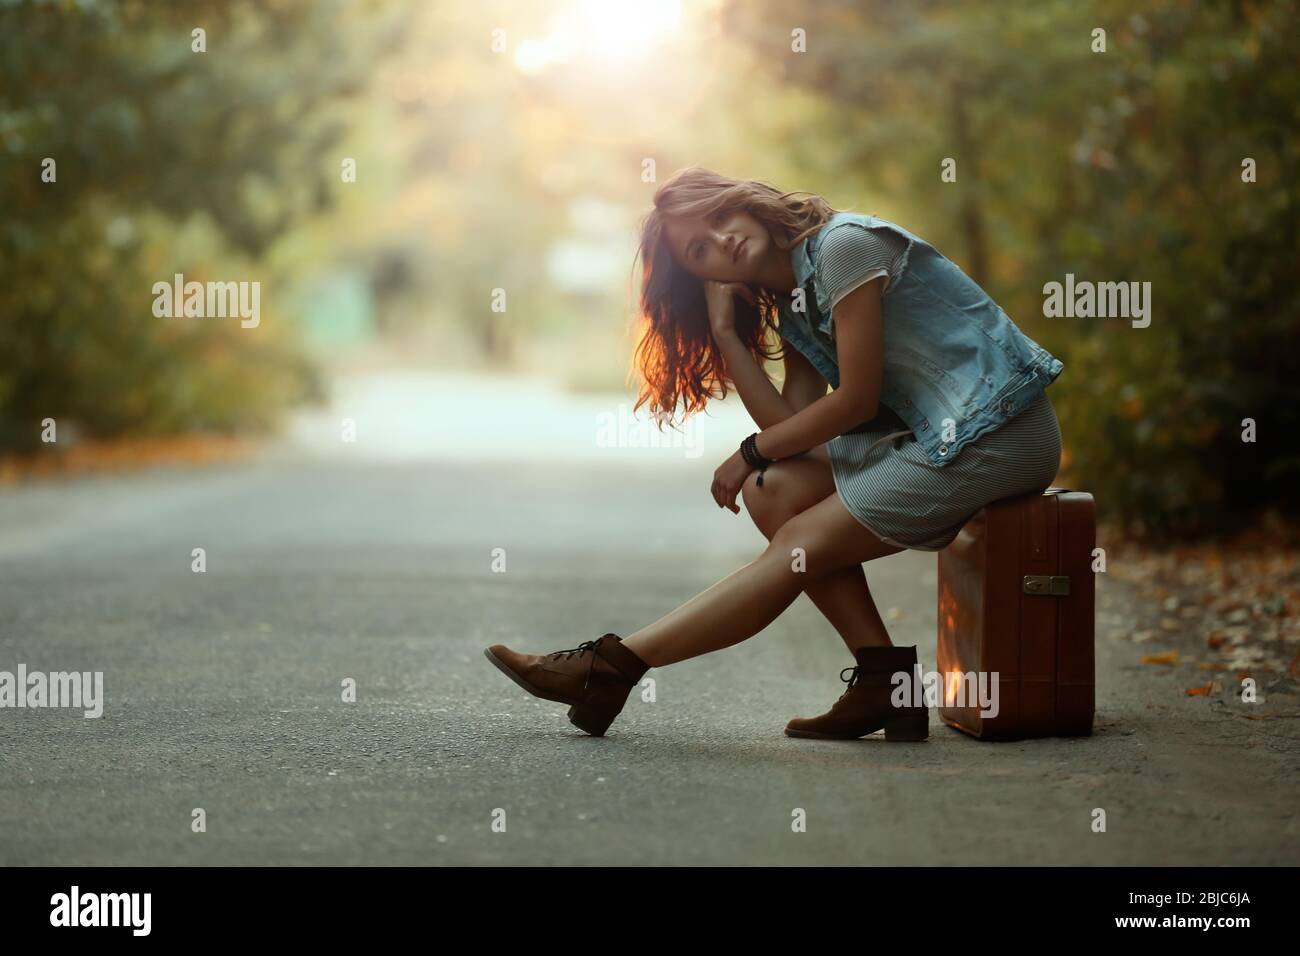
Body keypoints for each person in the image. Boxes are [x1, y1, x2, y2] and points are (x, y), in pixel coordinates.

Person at [485, 167, 1063, 741]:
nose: (722, 239)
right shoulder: (794, 302)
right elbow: (794, 428)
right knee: (775, 490)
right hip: (934, 437)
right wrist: (729, 336)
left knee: (797, 545)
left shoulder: (843, 248)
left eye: (719, 217)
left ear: (744, 200)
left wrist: (748, 452)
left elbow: (856, 401)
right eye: (699, 249)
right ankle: (883, 684)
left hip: (997, 432)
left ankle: (612, 666)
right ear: (700, 274)